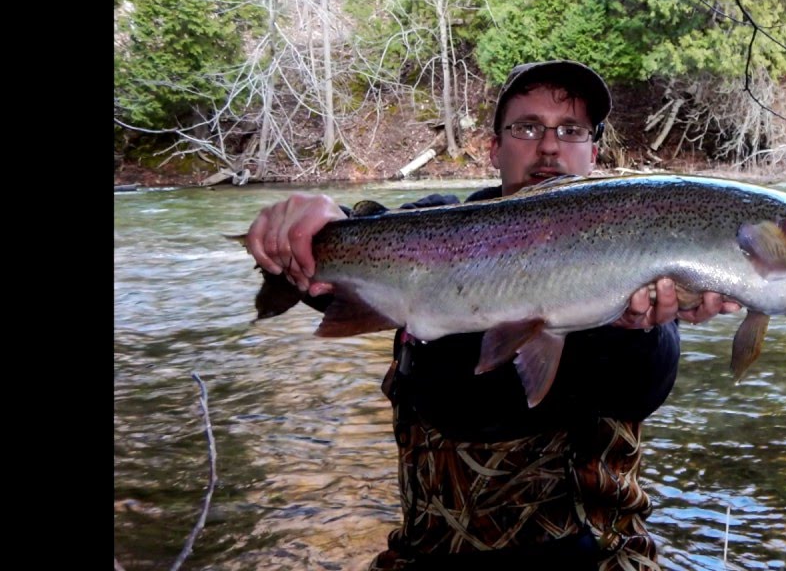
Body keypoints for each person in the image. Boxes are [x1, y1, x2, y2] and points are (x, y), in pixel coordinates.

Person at [244, 59, 740, 570]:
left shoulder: (636, 252)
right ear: (493, 147)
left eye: (570, 130)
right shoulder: (437, 223)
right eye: (527, 127)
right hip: (430, 556)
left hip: (594, 557)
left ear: (593, 152)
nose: (549, 145)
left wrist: (632, 329)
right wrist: (305, 227)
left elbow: (643, 389)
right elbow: (343, 257)